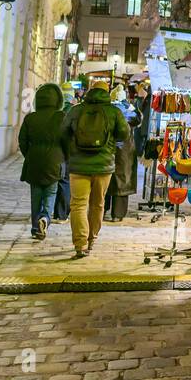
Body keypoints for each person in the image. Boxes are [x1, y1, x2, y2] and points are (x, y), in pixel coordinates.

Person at [62, 86, 130, 258]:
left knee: (78, 204)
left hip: (78, 166)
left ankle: (80, 244)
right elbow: (124, 134)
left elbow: (62, 133)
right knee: (98, 203)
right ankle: (92, 238)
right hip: (103, 165)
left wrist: (71, 151)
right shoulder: (113, 111)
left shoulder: (76, 110)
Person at [18, 83, 68, 239]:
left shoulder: (30, 118)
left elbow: (22, 141)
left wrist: (29, 154)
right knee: (50, 193)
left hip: (34, 161)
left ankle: (35, 227)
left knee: (36, 196)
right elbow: (67, 141)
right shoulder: (61, 117)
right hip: (54, 162)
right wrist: (64, 157)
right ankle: (45, 218)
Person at [105, 86, 142, 221]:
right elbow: (138, 120)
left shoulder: (107, 108)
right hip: (125, 150)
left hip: (108, 147)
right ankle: (118, 214)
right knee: (122, 181)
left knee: (105, 179)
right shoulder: (129, 110)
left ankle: (102, 210)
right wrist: (132, 107)